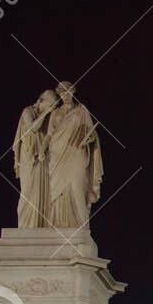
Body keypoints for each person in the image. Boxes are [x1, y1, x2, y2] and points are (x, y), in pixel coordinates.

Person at [44, 81, 102, 228]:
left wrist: (91, 137)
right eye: (62, 92)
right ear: (59, 94)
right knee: (57, 191)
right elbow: (49, 135)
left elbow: (91, 132)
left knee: (77, 186)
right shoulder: (55, 113)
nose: (65, 94)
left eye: (68, 91)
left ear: (73, 92)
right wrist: (42, 150)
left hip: (77, 154)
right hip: (57, 155)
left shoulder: (82, 111)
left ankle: (82, 226)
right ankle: (57, 226)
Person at [12, 89, 57, 227]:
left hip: (42, 159)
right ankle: (24, 225)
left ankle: (40, 224)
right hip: (29, 158)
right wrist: (46, 113)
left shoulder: (48, 117)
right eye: (50, 104)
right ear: (42, 101)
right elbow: (32, 128)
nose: (52, 108)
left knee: (43, 192)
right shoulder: (28, 111)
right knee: (28, 191)